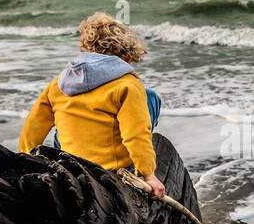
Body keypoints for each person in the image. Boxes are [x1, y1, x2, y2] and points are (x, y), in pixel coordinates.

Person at [18, 12, 166, 199]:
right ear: (127, 53)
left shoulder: (59, 82)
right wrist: (148, 175)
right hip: (109, 170)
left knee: (64, 122)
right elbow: (136, 133)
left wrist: (24, 159)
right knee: (150, 97)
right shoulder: (128, 85)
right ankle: (138, 165)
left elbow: (33, 126)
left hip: (71, 164)